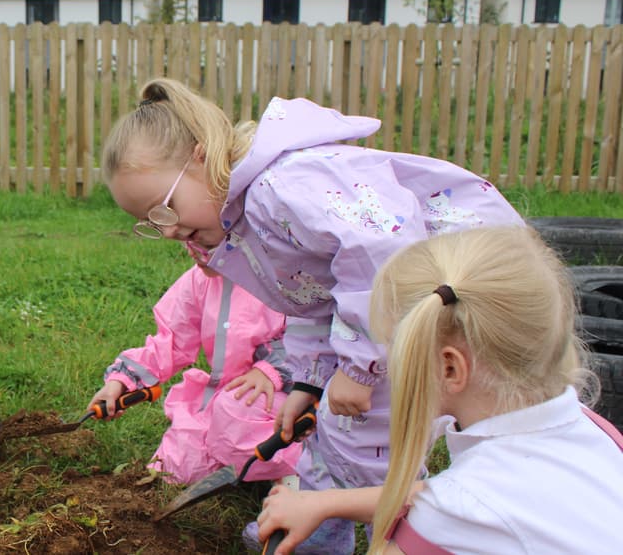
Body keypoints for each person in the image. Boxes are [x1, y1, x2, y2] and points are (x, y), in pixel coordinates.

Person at [100, 78, 524, 553]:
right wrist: (312, 381)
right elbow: (309, 297)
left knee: (371, 446)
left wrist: (359, 370)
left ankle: (402, 540)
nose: (171, 229)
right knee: (335, 427)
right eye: (152, 223)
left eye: (166, 208)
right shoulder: (242, 220)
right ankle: (311, 533)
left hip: (471, 293)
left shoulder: (282, 188)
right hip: (402, 314)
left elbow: (383, 255)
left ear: (200, 155)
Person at [255, 226, 623, 554]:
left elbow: (450, 507)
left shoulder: (446, 522)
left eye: (393, 353)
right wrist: (325, 503)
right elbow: (438, 500)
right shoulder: (596, 431)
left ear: (450, 368)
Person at [88, 260, 301, 485]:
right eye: (188, 240)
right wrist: (122, 381)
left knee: (234, 412)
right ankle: (252, 464)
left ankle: (302, 465)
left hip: (292, 391)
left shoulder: (285, 274)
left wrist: (271, 369)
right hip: (226, 394)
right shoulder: (201, 279)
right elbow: (170, 340)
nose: (196, 252)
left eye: (205, 241)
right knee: (176, 470)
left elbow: (315, 335)